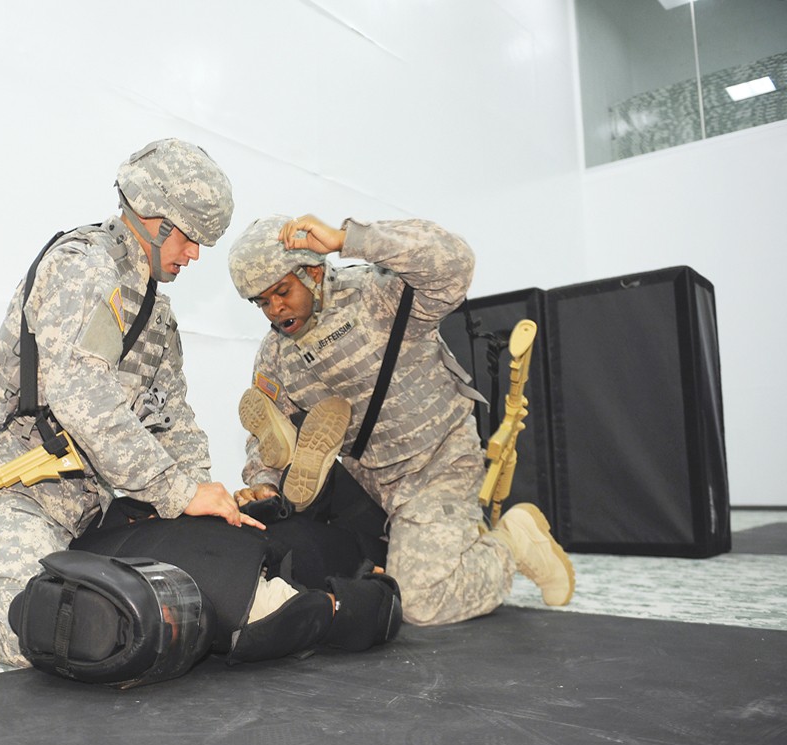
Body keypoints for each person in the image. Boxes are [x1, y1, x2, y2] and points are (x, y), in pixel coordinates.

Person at [0, 138, 263, 667]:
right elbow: (82, 397)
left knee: (152, 612)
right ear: (155, 219)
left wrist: (201, 501)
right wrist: (177, 491)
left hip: (87, 506)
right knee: (40, 632)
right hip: (10, 489)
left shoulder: (153, 311)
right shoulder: (83, 270)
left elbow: (172, 416)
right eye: (189, 237)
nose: (193, 255)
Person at [227, 213, 575, 628]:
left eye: (282, 292)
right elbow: (265, 430)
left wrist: (348, 239)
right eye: (262, 302)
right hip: (367, 491)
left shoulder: (377, 296)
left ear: (313, 272)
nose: (275, 309)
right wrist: (263, 482)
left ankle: (511, 544)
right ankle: (425, 545)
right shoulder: (276, 354)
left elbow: (454, 262)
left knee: (419, 603)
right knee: (344, 573)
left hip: (437, 463)